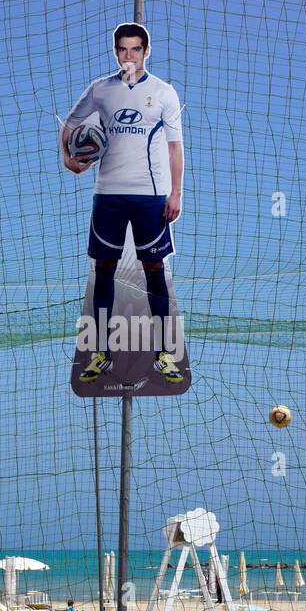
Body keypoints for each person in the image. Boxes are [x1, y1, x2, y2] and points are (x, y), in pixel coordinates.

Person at [61, 22, 186, 384]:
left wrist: (176, 192)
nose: (128, 56)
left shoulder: (164, 93)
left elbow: (176, 148)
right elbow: (69, 125)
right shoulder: (101, 90)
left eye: (135, 49)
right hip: (108, 193)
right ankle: (101, 352)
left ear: (147, 52)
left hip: (150, 195)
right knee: (104, 268)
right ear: (115, 52)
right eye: (122, 49)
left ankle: (164, 354)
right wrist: (69, 160)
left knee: (153, 269)